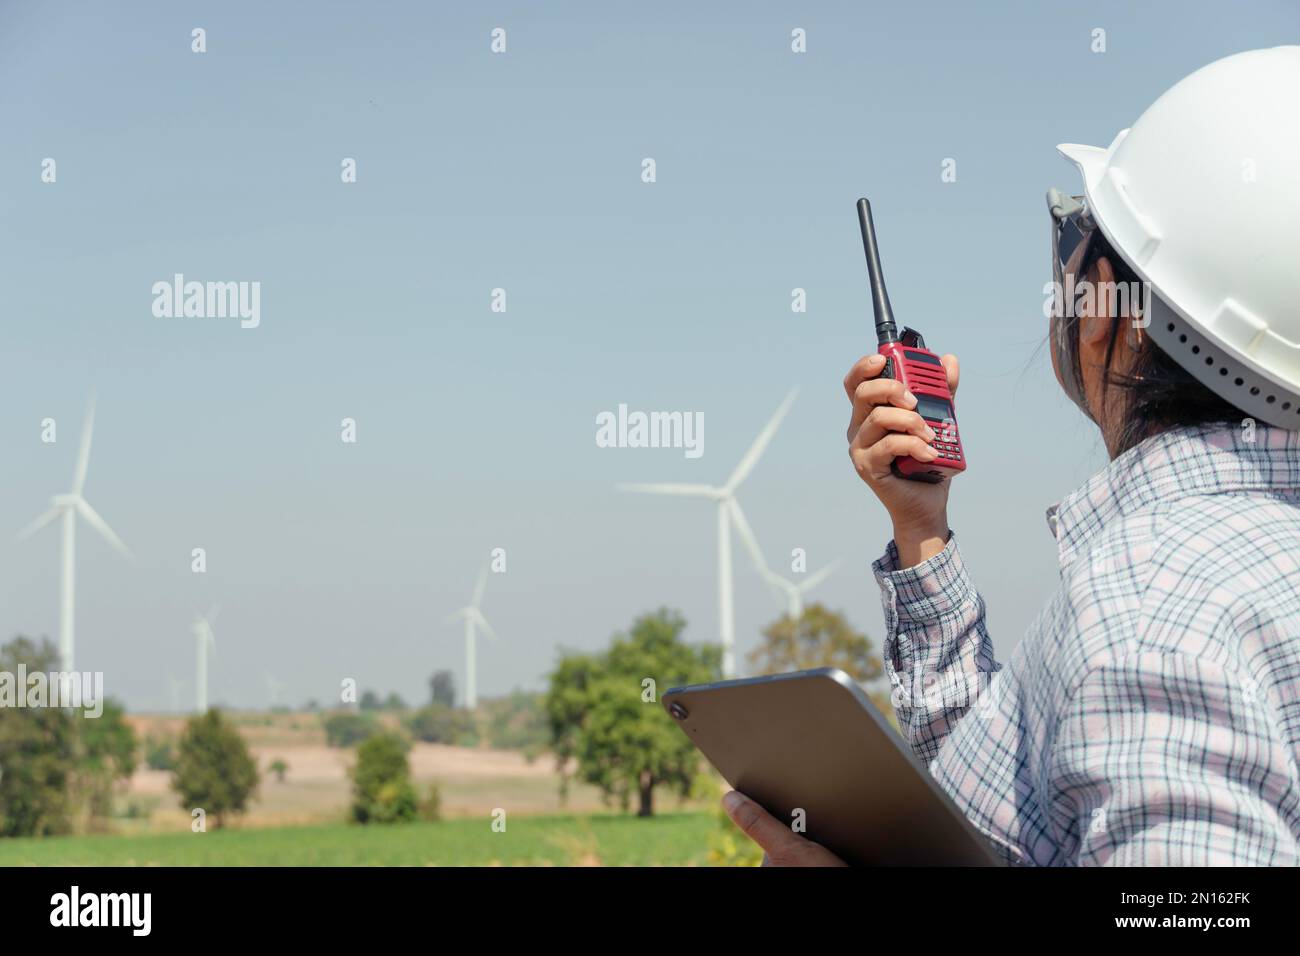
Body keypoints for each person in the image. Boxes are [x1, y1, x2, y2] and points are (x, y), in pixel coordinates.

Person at [724, 46, 1300, 866]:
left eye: (1073, 235)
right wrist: (921, 527)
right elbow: (1012, 815)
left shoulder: (1154, 602)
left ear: (1108, 308)